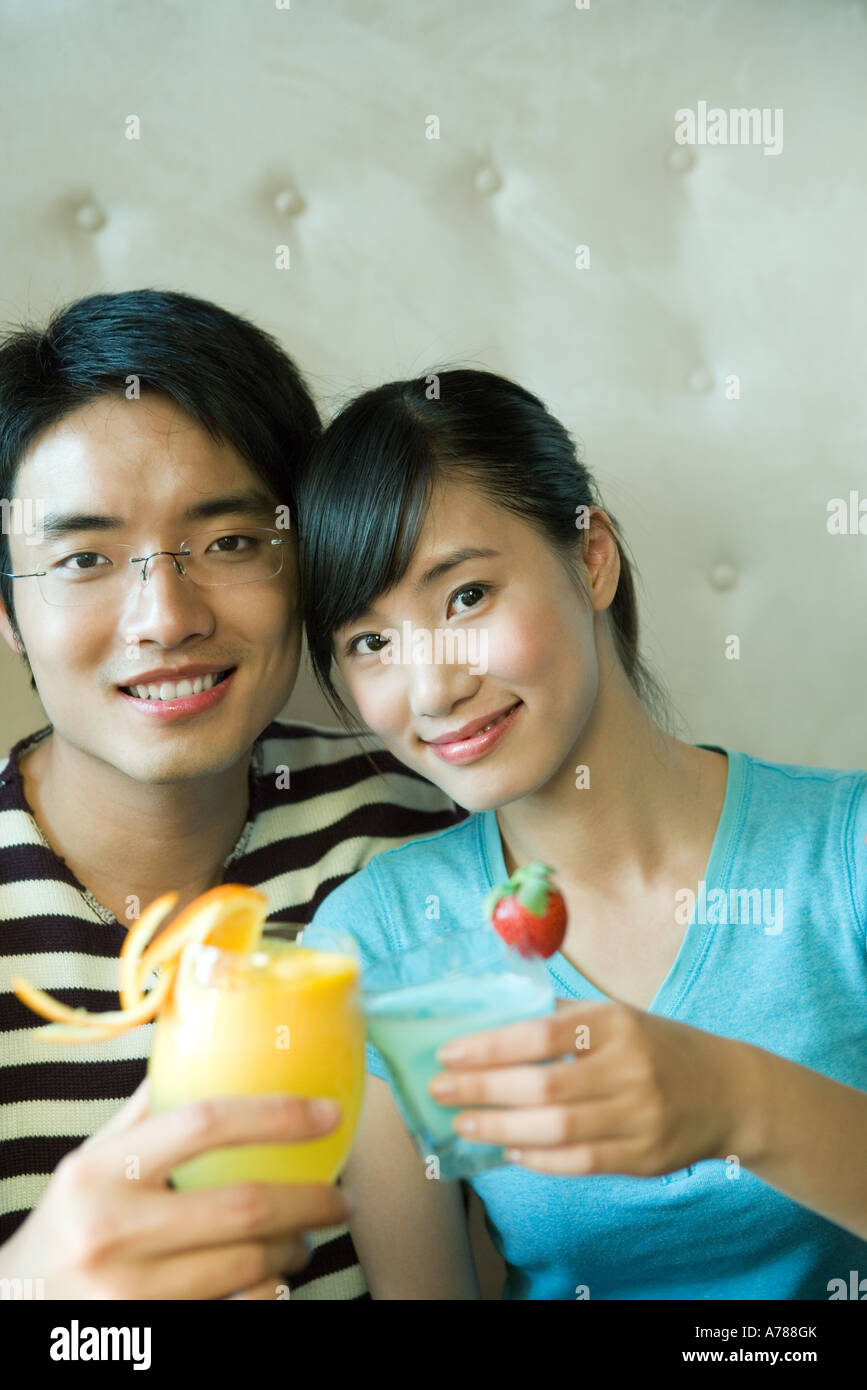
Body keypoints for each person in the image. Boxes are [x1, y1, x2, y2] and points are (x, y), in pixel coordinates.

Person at [300, 367, 867, 1300]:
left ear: (591, 558)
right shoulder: (380, 943)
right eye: (371, 643)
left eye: (466, 597)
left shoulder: (839, 856)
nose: (432, 690)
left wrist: (739, 1103)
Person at [0, 291, 468, 1300]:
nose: (165, 617)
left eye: (230, 542)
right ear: (7, 608)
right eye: (85, 559)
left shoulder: (415, 836)